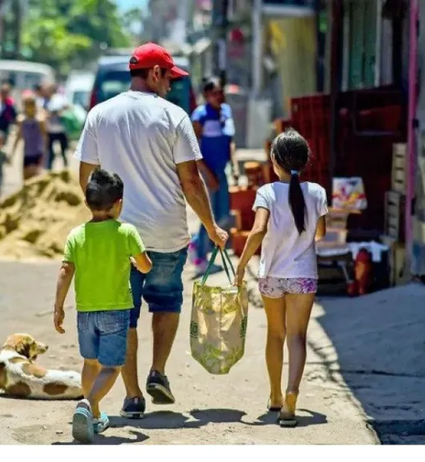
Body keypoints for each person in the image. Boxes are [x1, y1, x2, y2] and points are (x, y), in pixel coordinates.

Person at [74, 42, 229, 419]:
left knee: (125, 315)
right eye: (169, 78)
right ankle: (158, 371)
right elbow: (191, 181)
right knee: (166, 302)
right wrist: (211, 226)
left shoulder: (99, 114)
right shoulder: (174, 117)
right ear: (155, 74)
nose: (171, 86)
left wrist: (106, 221)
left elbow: (86, 177)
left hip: (120, 235)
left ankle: (132, 394)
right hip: (166, 232)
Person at [234, 129, 328, 428]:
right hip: (303, 277)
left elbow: (259, 230)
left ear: (274, 160)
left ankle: (274, 395)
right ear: (305, 160)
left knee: (275, 334)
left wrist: (241, 265)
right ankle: (292, 394)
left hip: (272, 275)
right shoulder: (316, 192)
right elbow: (321, 233)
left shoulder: (267, 192)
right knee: (297, 337)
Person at [53, 169, 152, 443]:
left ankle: (94, 416)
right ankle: (87, 404)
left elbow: (65, 271)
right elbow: (145, 265)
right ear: (119, 203)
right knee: (112, 366)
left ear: (86, 203)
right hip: (116, 311)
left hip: (85, 311)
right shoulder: (126, 232)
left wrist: (58, 306)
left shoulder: (76, 235)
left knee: (90, 362)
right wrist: (136, 263)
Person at [190, 77, 240, 275]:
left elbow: (230, 142)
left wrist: (234, 167)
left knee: (223, 214)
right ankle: (201, 258)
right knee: (207, 215)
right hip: (206, 171)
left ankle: (196, 244)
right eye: (215, 93)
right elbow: (193, 149)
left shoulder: (226, 112)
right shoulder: (200, 116)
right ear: (207, 95)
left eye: (221, 92)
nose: (220, 96)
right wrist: (207, 174)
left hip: (222, 169)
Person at [12, 95, 47, 181]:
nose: (29, 108)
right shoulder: (21, 120)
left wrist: (45, 154)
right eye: (27, 105)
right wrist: (12, 152)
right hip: (27, 153)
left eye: (31, 105)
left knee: (37, 180)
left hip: (37, 153)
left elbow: (45, 138)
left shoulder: (40, 120)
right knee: (26, 180)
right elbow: (18, 136)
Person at [43, 83, 70, 171]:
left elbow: (68, 108)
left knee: (64, 151)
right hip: (50, 130)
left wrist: (57, 112)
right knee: (50, 152)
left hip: (61, 129)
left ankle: (66, 170)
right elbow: (44, 113)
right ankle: (49, 170)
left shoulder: (60, 98)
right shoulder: (45, 101)